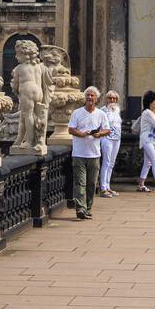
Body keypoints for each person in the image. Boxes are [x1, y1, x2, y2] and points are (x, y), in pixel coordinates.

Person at [68, 87, 111, 219]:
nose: (90, 98)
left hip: (94, 154)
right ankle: (80, 209)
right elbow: (71, 129)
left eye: (92, 96)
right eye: (88, 96)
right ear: (84, 98)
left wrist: (99, 134)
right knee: (80, 183)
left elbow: (107, 130)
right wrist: (81, 134)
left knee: (91, 184)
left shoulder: (100, 114)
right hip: (79, 153)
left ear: (96, 99)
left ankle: (88, 208)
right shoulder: (77, 113)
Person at [133, 89, 155, 193]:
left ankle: (141, 184)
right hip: (147, 140)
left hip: (150, 140)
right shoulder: (148, 113)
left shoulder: (151, 113)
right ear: (150, 102)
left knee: (147, 163)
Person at [99, 90, 123, 196]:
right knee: (106, 162)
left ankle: (108, 186)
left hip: (116, 138)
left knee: (111, 163)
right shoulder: (102, 111)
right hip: (106, 138)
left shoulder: (117, 110)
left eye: (114, 98)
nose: (112, 100)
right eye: (110, 98)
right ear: (107, 99)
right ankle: (103, 188)